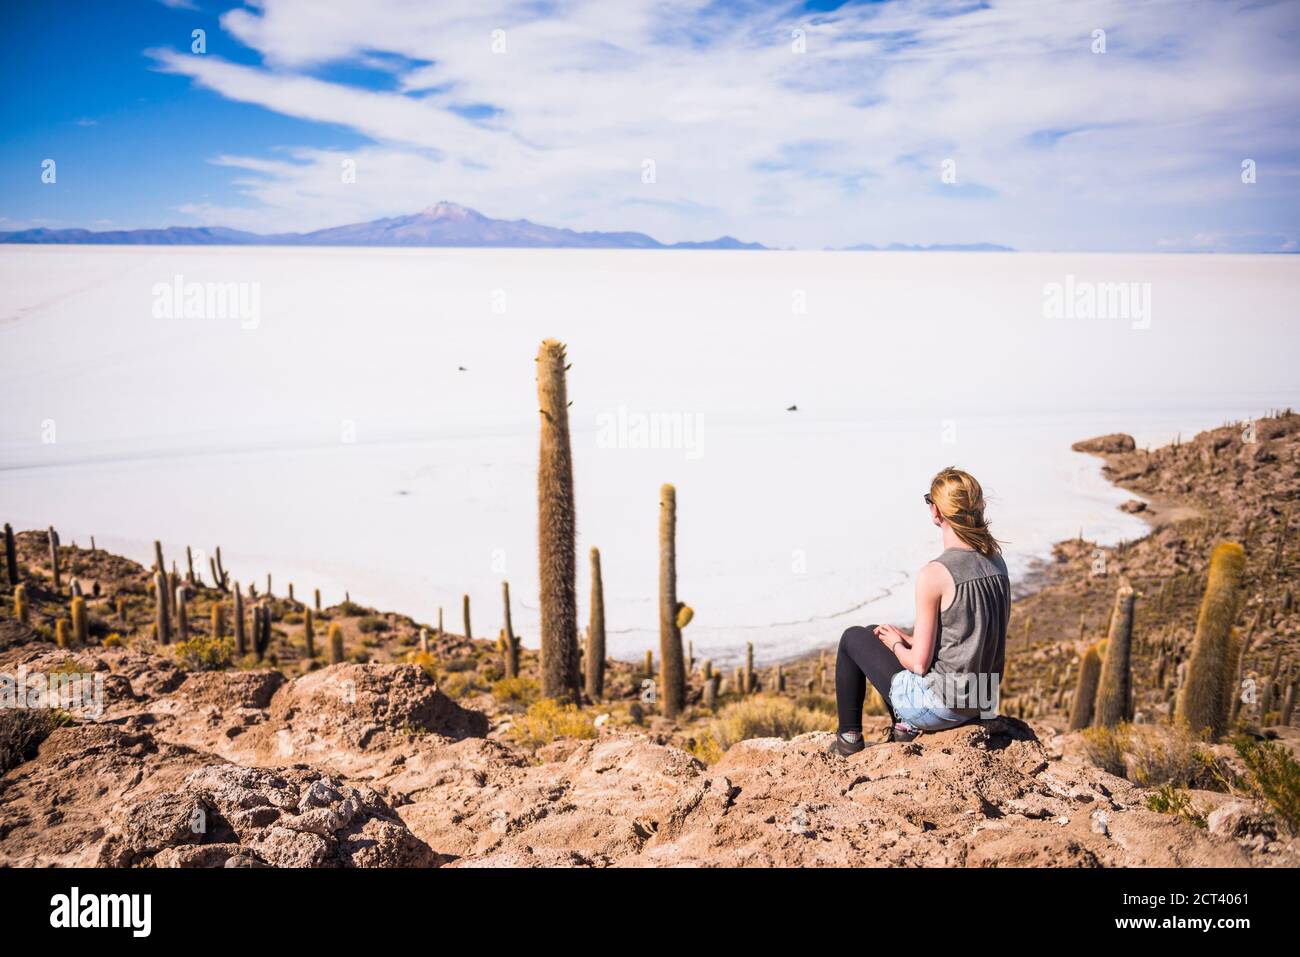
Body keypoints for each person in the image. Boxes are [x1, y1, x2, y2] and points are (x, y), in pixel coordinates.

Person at [827, 467, 1010, 755]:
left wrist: (898, 645)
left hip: (944, 707)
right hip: (982, 701)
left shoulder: (935, 573)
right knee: (873, 634)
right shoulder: (996, 562)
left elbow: (918, 665)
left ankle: (849, 741)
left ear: (936, 511)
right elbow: (970, 636)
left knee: (853, 638)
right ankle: (902, 729)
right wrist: (909, 640)